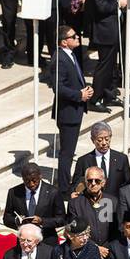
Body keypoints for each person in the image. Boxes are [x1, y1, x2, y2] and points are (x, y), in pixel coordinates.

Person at [53, 25, 94, 192]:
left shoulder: (70, 55)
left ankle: (65, 183)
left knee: (69, 151)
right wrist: (79, 95)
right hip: (67, 112)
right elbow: (58, 87)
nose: (78, 38)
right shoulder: (59, 59)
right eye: (74, 36)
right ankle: (64, 187)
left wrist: (86, 90)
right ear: (64, 42)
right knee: (67, 153)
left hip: (74, 111)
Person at [3, 162, 67, 243]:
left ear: (40, 176)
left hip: (47, 241)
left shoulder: (53, 192)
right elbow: (6, 218)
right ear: (22, 179)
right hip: (24, 242)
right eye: (27, 181)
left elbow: (62, 219)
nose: (31, 184)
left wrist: (42, 221)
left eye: (34, 180)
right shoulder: (14, 193)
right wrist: (17, 221)